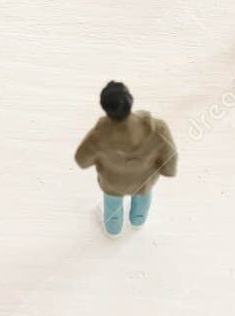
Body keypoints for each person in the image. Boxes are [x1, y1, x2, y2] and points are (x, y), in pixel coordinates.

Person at [74, 82, 179, 237]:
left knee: (112, 204)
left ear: (104, 106)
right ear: (130, 100)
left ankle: (113, 229)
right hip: (144, 179)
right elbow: (171, 153)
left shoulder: (98, 135)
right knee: (143, 197)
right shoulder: (157, 127)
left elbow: (82, 160)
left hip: (113, 182)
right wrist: (168, 171)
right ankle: (138, 220)